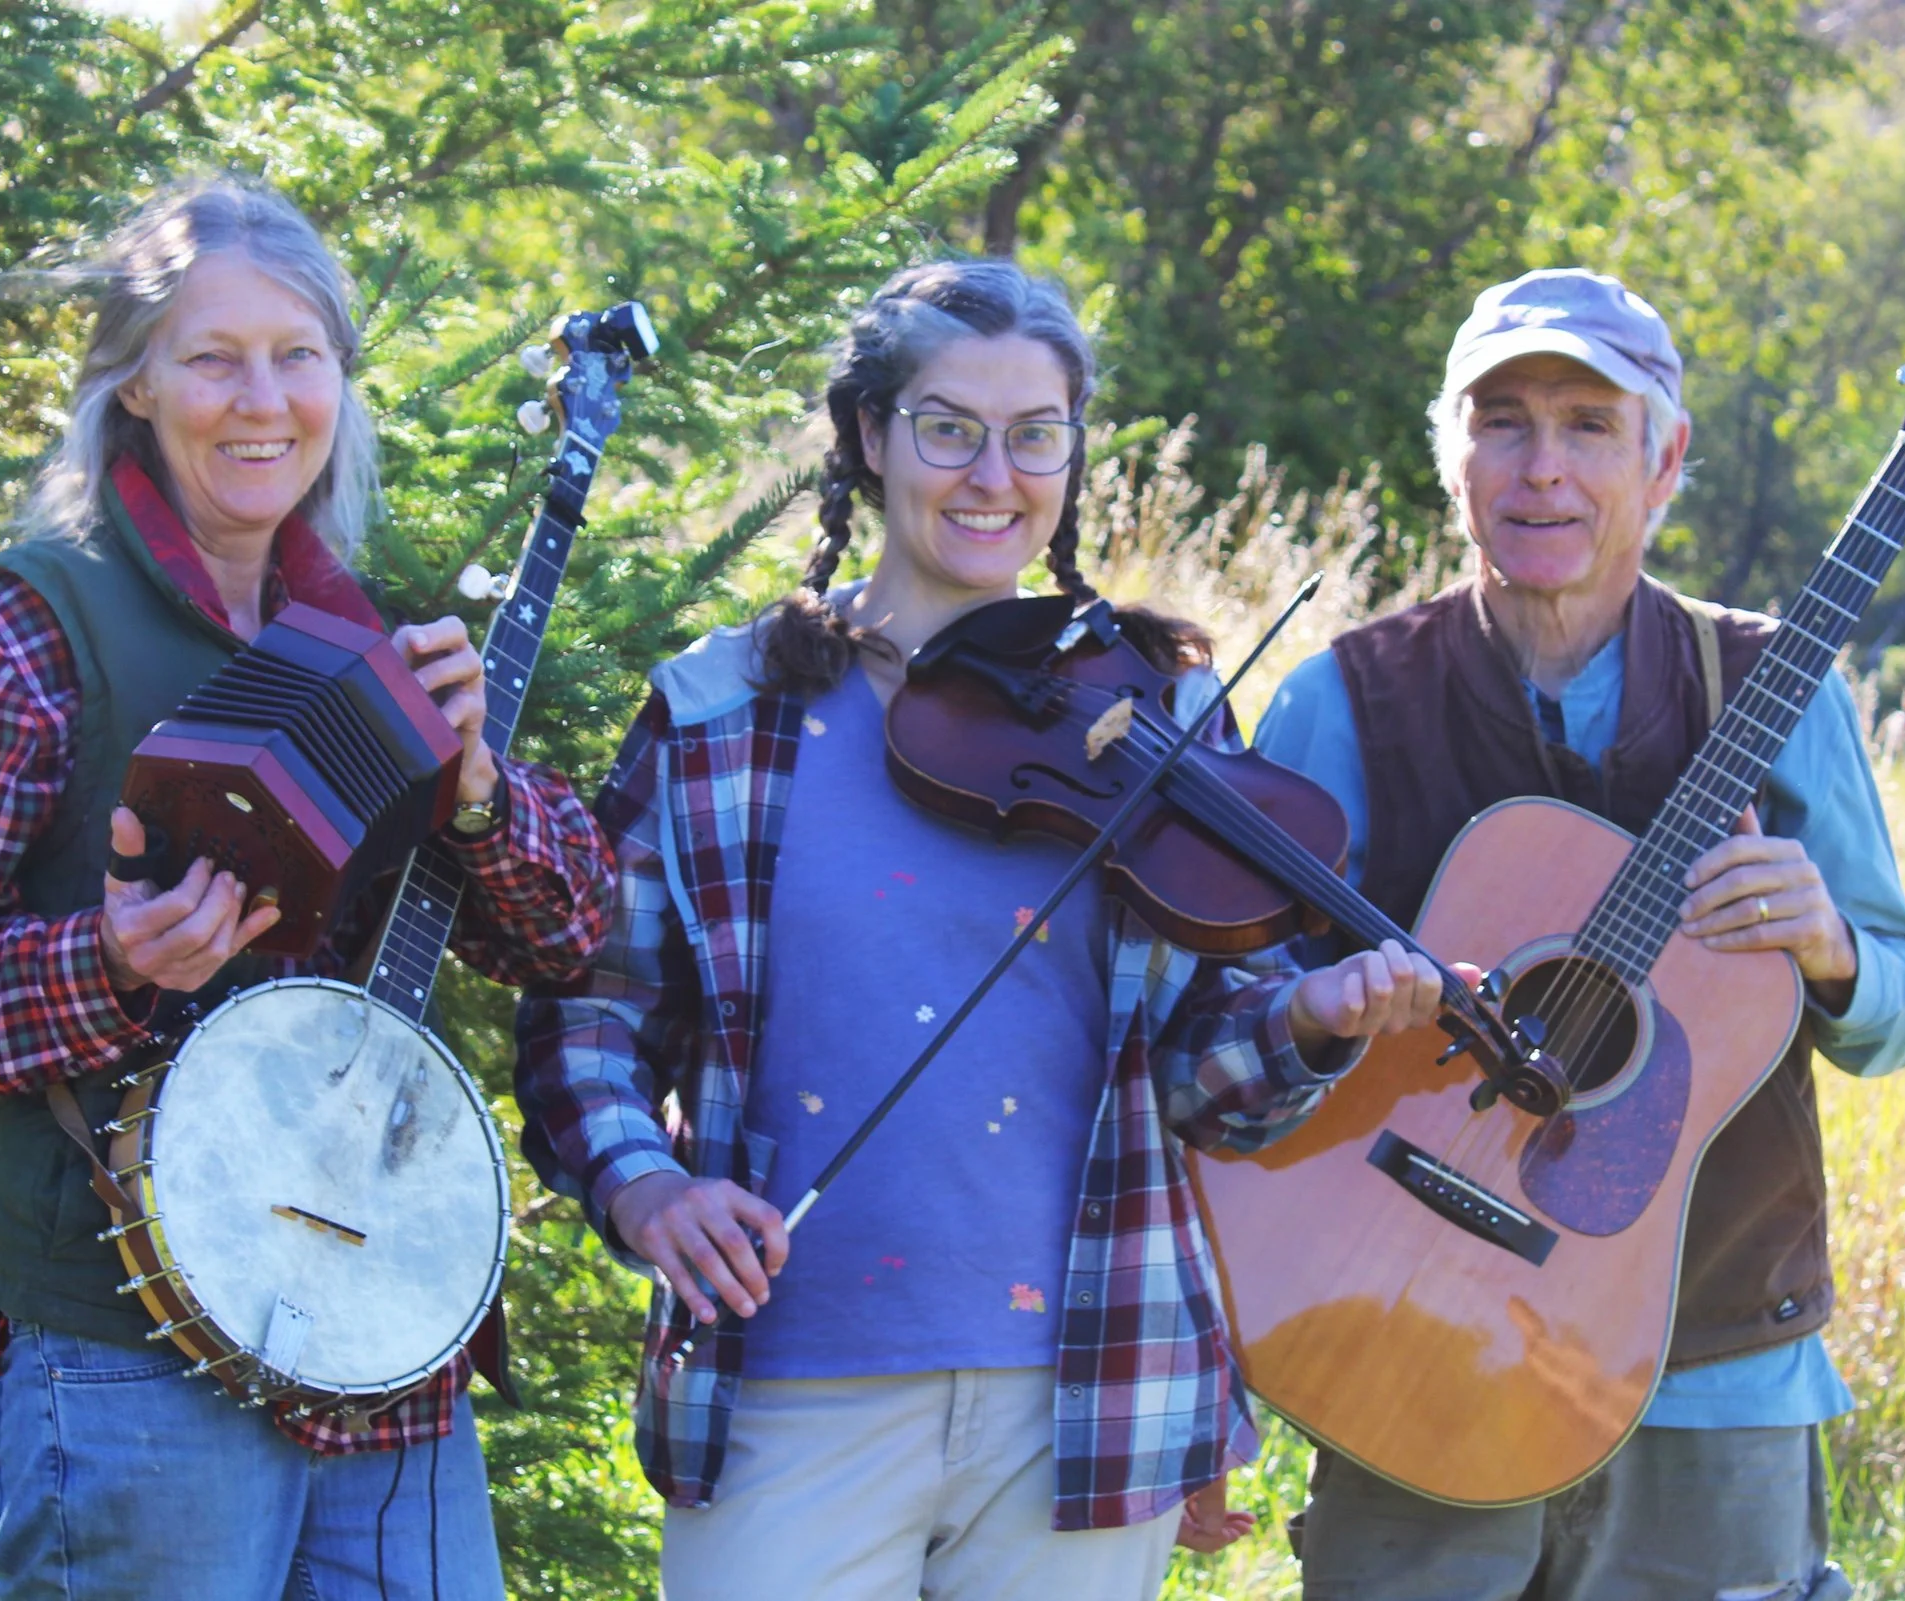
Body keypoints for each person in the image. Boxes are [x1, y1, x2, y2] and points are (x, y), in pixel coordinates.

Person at [511, 258, 1456, 1601]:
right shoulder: (720, 717)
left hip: (1082, 1394)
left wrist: (1314, 1018)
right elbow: (588, 1009)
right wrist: (642, 1184)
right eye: (948, 427)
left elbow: (1202, 1075)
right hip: (786, 1384)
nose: (991, 476)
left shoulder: (1161, 718)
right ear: (869, 437)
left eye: (1036, 436)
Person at [0, 175, 619, 1600]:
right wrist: (110, 962)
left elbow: (568, 933)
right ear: (134, 387)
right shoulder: (30, 620)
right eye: (212, 357)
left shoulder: (364, 629)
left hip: (379, 1340)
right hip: (124, 1353)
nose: (264, 401)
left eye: (298, 356)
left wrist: (479, 785)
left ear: (341, 384)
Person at [1252, 268, 1905, 1601]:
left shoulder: (1774, 690)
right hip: (1414, 1332)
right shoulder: (1343, 702)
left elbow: (1904, 1005)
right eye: (1503, 420)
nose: (1543, 468)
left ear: (1665, 457)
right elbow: (1226, 1040)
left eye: (1587, 423)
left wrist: (1833, 954)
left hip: (1716, 1364)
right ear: (1448, 453)